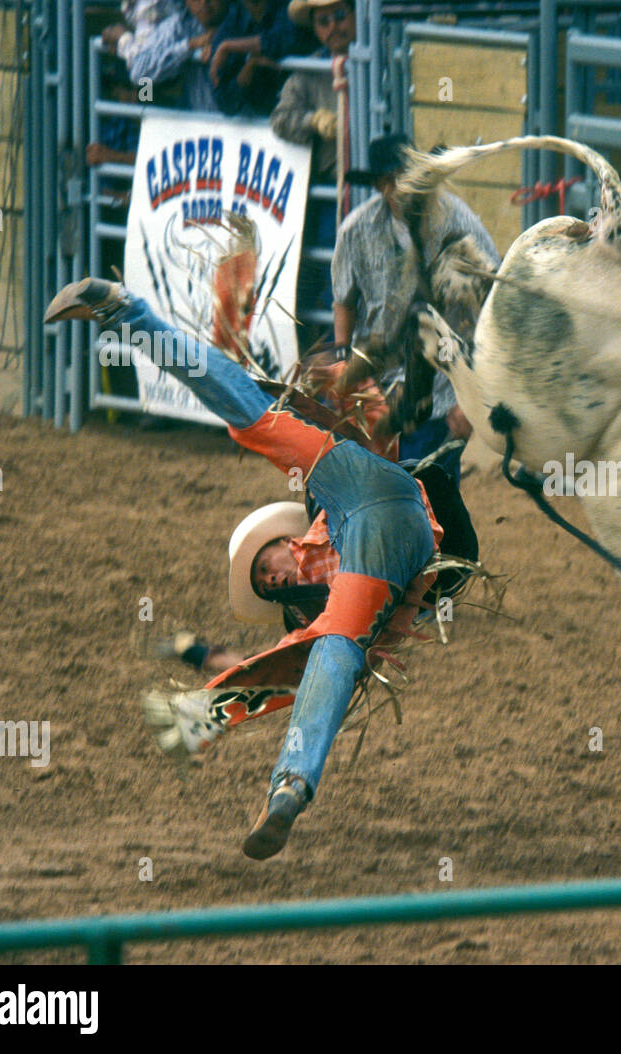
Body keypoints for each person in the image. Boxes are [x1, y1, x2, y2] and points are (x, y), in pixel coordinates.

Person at [44, 275, 443, 860]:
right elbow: (286, 667)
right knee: (333, 653)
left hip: (358, 487)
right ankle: (290, 786)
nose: (272, 579)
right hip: (399, 552)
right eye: (266, 586)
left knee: (251, 417)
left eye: (265, 568)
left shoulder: (314, 510)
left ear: (283, 539)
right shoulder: (318, 611)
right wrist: (207, 698)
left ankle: (126, 314)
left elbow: (353, 421)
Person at [333, 134, 501, 484]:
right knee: (379, 493)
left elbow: (492, 308)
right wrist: (341, 363)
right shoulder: (356, 231)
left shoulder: (459, 222)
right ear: (383, 185)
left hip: (441, 396)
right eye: (398, 180)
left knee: (433, 497)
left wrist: (469, 402)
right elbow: (344, 301)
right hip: (377, 393)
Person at [270, 0, 355, 182]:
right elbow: (280, 120)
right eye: (324, 21)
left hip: (382, 182)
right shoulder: (309, 69)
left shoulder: (384, 55)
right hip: (334, 186)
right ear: (315, 29)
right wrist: (314, 121)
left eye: (340, 16)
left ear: (355, 15)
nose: (333, 26)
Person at [128, 0, 232, 112]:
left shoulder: (243, 18)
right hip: (197, 122)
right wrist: (188, 46)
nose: (204, 2)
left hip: (245, 123)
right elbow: (140, 73)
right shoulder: (180, 24)